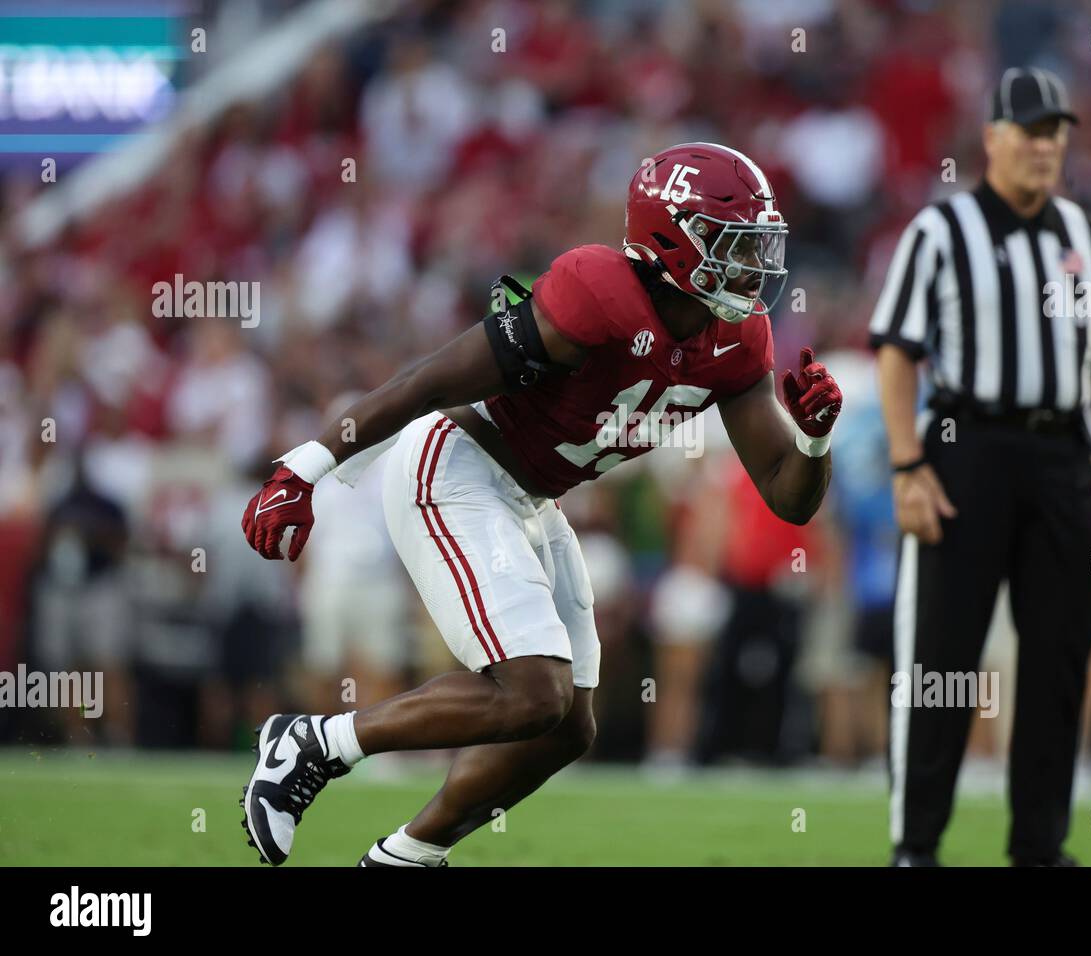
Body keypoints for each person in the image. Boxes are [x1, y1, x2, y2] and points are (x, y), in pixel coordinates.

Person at [237, 143, 843, 866]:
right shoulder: (597, 291)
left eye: (757, 245)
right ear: (671, 236)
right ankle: (313, 743)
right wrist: (305, 465)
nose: (752, 266)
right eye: (731, 243)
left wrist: (811, 442)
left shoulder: (738, 340)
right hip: (459, 466)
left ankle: (405, 856)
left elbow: (788, 495)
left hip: (531, 498)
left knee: (565, 727)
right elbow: (435, 378)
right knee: (533, 692)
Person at [868, 68, 1091, 866]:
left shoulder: (1087, 237)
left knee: (1057, 663)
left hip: (1063, 455)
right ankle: (916, 845)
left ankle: (1039, 846)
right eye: (1030, 129)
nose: (1046, 144)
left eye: (1057, 130)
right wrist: (907, 464)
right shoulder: (941, 231)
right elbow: (895, 353)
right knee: (940, 661)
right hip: (966, 449)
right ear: (991, 138)